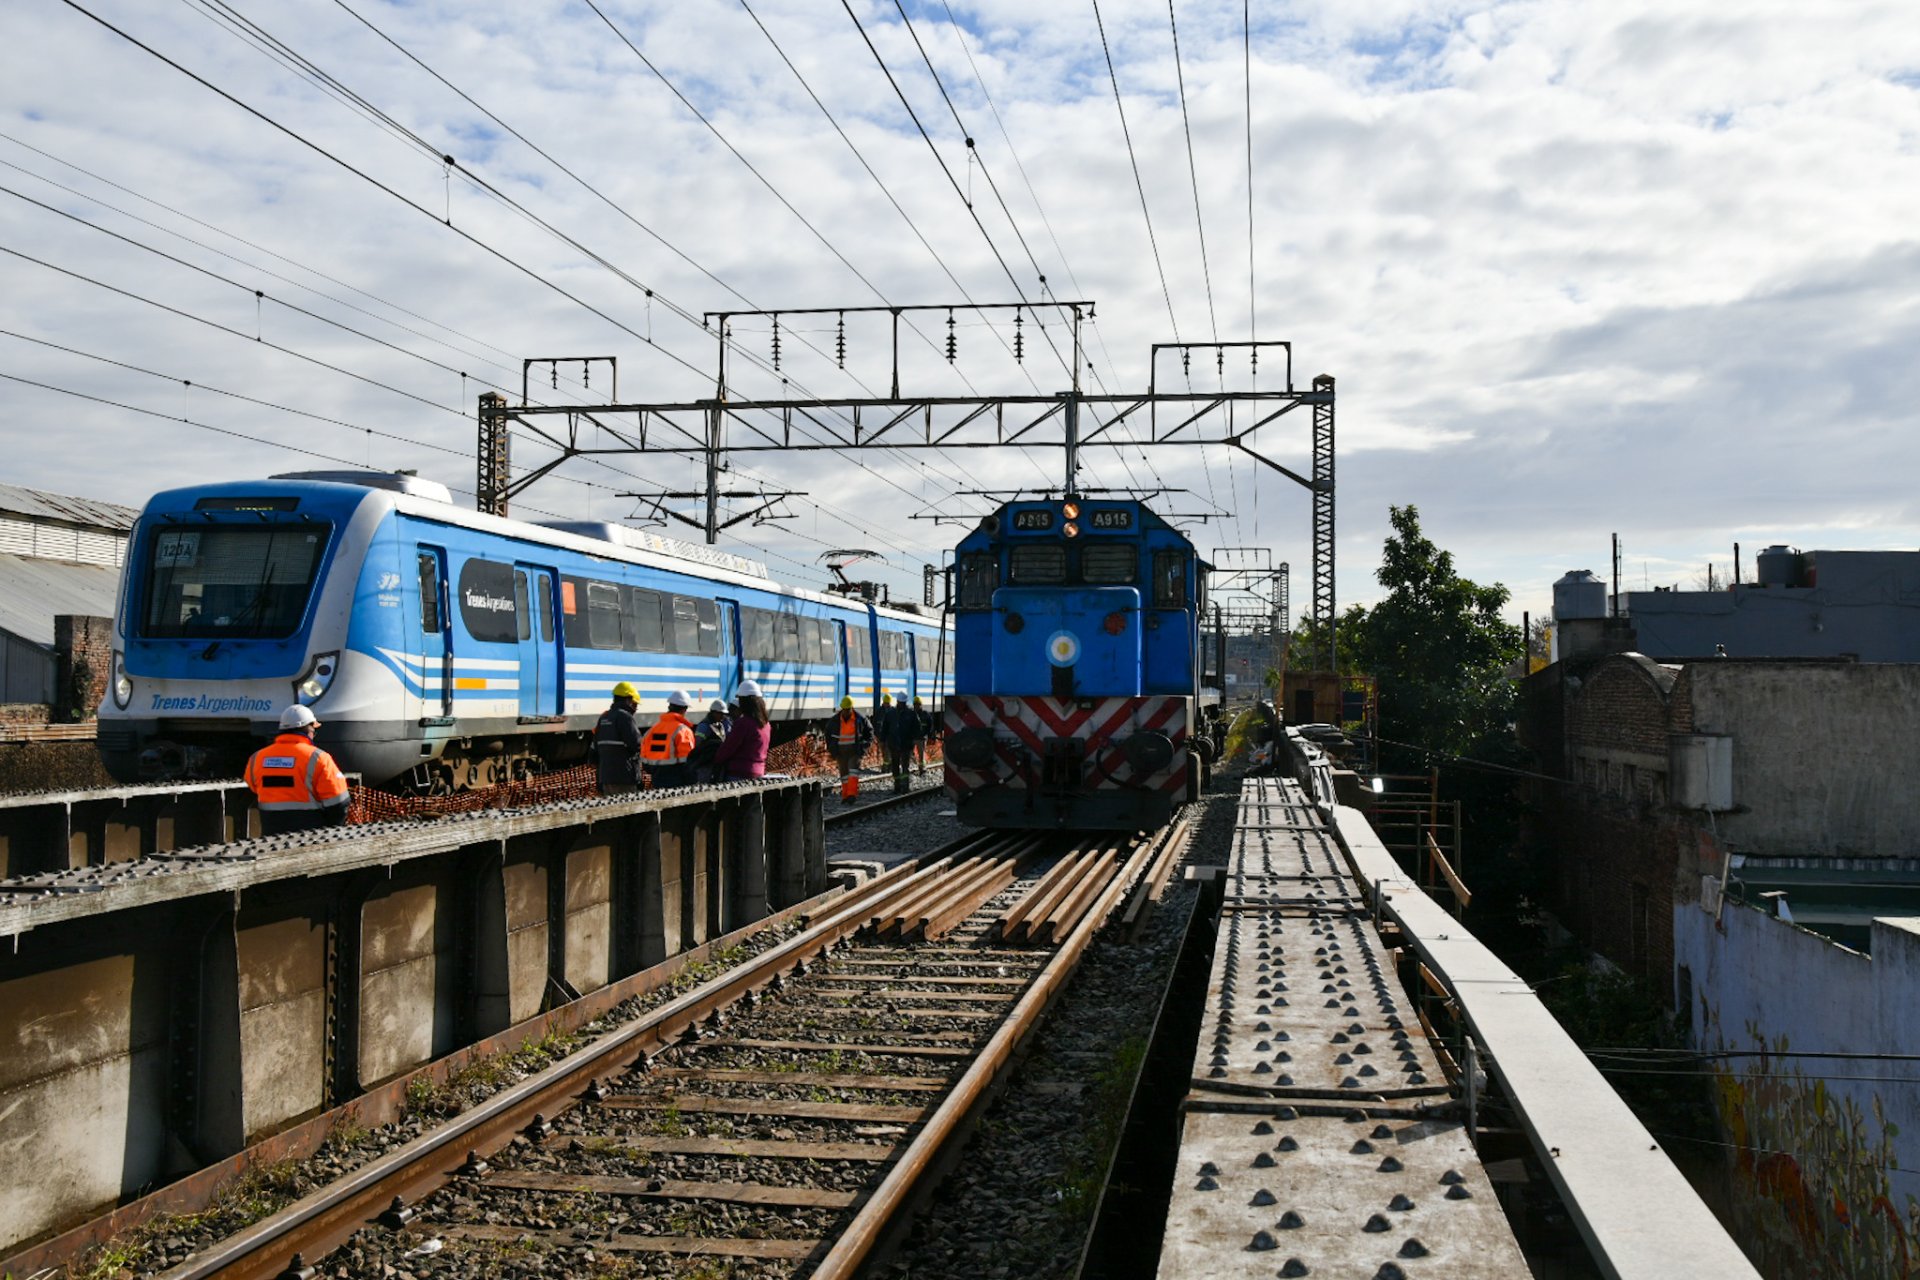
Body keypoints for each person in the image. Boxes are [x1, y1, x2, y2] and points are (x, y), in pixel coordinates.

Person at [245, 704, 351, 833]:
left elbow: (254, 786)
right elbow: (339, 801)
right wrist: (332, 828)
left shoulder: (257, 758)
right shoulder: (318, 758)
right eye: (313, 731)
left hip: (271, 834)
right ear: (308, 730)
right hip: (311, 834)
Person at [713, 679, 772, 780]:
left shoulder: (743, 723)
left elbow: (728, 748)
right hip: (759, 773)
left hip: (739, 774)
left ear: (745, 702)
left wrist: (716, 759)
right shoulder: (766, 725)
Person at [594, 682, 644, 794]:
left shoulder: (604, 717)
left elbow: (594, 751)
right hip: (625, 778)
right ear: (628, 700)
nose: (635, 709)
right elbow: (637, 744)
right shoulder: (625, 717)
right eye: (635, 704)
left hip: (606, 778)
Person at [641, 690, 698, 788]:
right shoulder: (683, 731)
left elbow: (645, 762)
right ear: (684, 709)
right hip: (676, 782)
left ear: (669, 706)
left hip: (657, 780)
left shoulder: (651, 730)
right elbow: (688, 762)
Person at [820, 695, 872, 803]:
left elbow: (869, 733)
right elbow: (828, 734)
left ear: (851, 708)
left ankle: (851, 795)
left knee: (853, 772)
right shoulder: (834, 721)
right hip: (840, 752)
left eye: (847, 709)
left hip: (854, 751)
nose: (846, 711)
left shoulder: (860, 719)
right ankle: (845, 796)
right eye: (844, 709)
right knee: (844, 775)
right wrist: (831, 749)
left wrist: (863, 747)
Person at [880, 690, 924, 793]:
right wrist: (882, 740)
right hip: (895, 744)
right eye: (901, 702)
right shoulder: (891, 714)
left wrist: (914, 739)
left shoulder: (910, 714)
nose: (902, 704)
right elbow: (885, 728)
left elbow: (917, 728)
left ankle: (904, 786)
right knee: (896, 766)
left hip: (905, 745)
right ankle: (898, 786)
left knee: (905, 766)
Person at [687, 698, 731, 782]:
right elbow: (698, 745)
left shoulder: (720, 725)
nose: (723, 716)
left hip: (716, 762)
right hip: (706, 763)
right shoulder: (704, 726)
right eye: (720, 713)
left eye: (724, 714)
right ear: (713, 712)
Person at [911, 695, 934, 769]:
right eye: (915, 704)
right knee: (910, 753)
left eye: (918, 704)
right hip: (912, 737)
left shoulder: (926, 714)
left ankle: (922, 767)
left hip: (922, 738)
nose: (916, 706)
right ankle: (913, 764)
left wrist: (928, 735)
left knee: (921, 754)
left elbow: (930, 725)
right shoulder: (911, 714)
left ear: (921, 705)